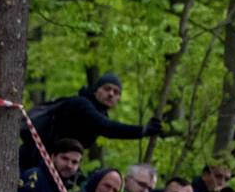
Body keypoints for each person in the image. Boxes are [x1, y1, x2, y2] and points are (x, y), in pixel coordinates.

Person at [21, 72, 160, 171]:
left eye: (116, 92)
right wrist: (141, 131)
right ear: (96, 91)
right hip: (33, 160)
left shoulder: (98, 113)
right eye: (107, 89)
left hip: (53, 165)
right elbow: (106, 127)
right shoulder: (82, 104)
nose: (111, 94)